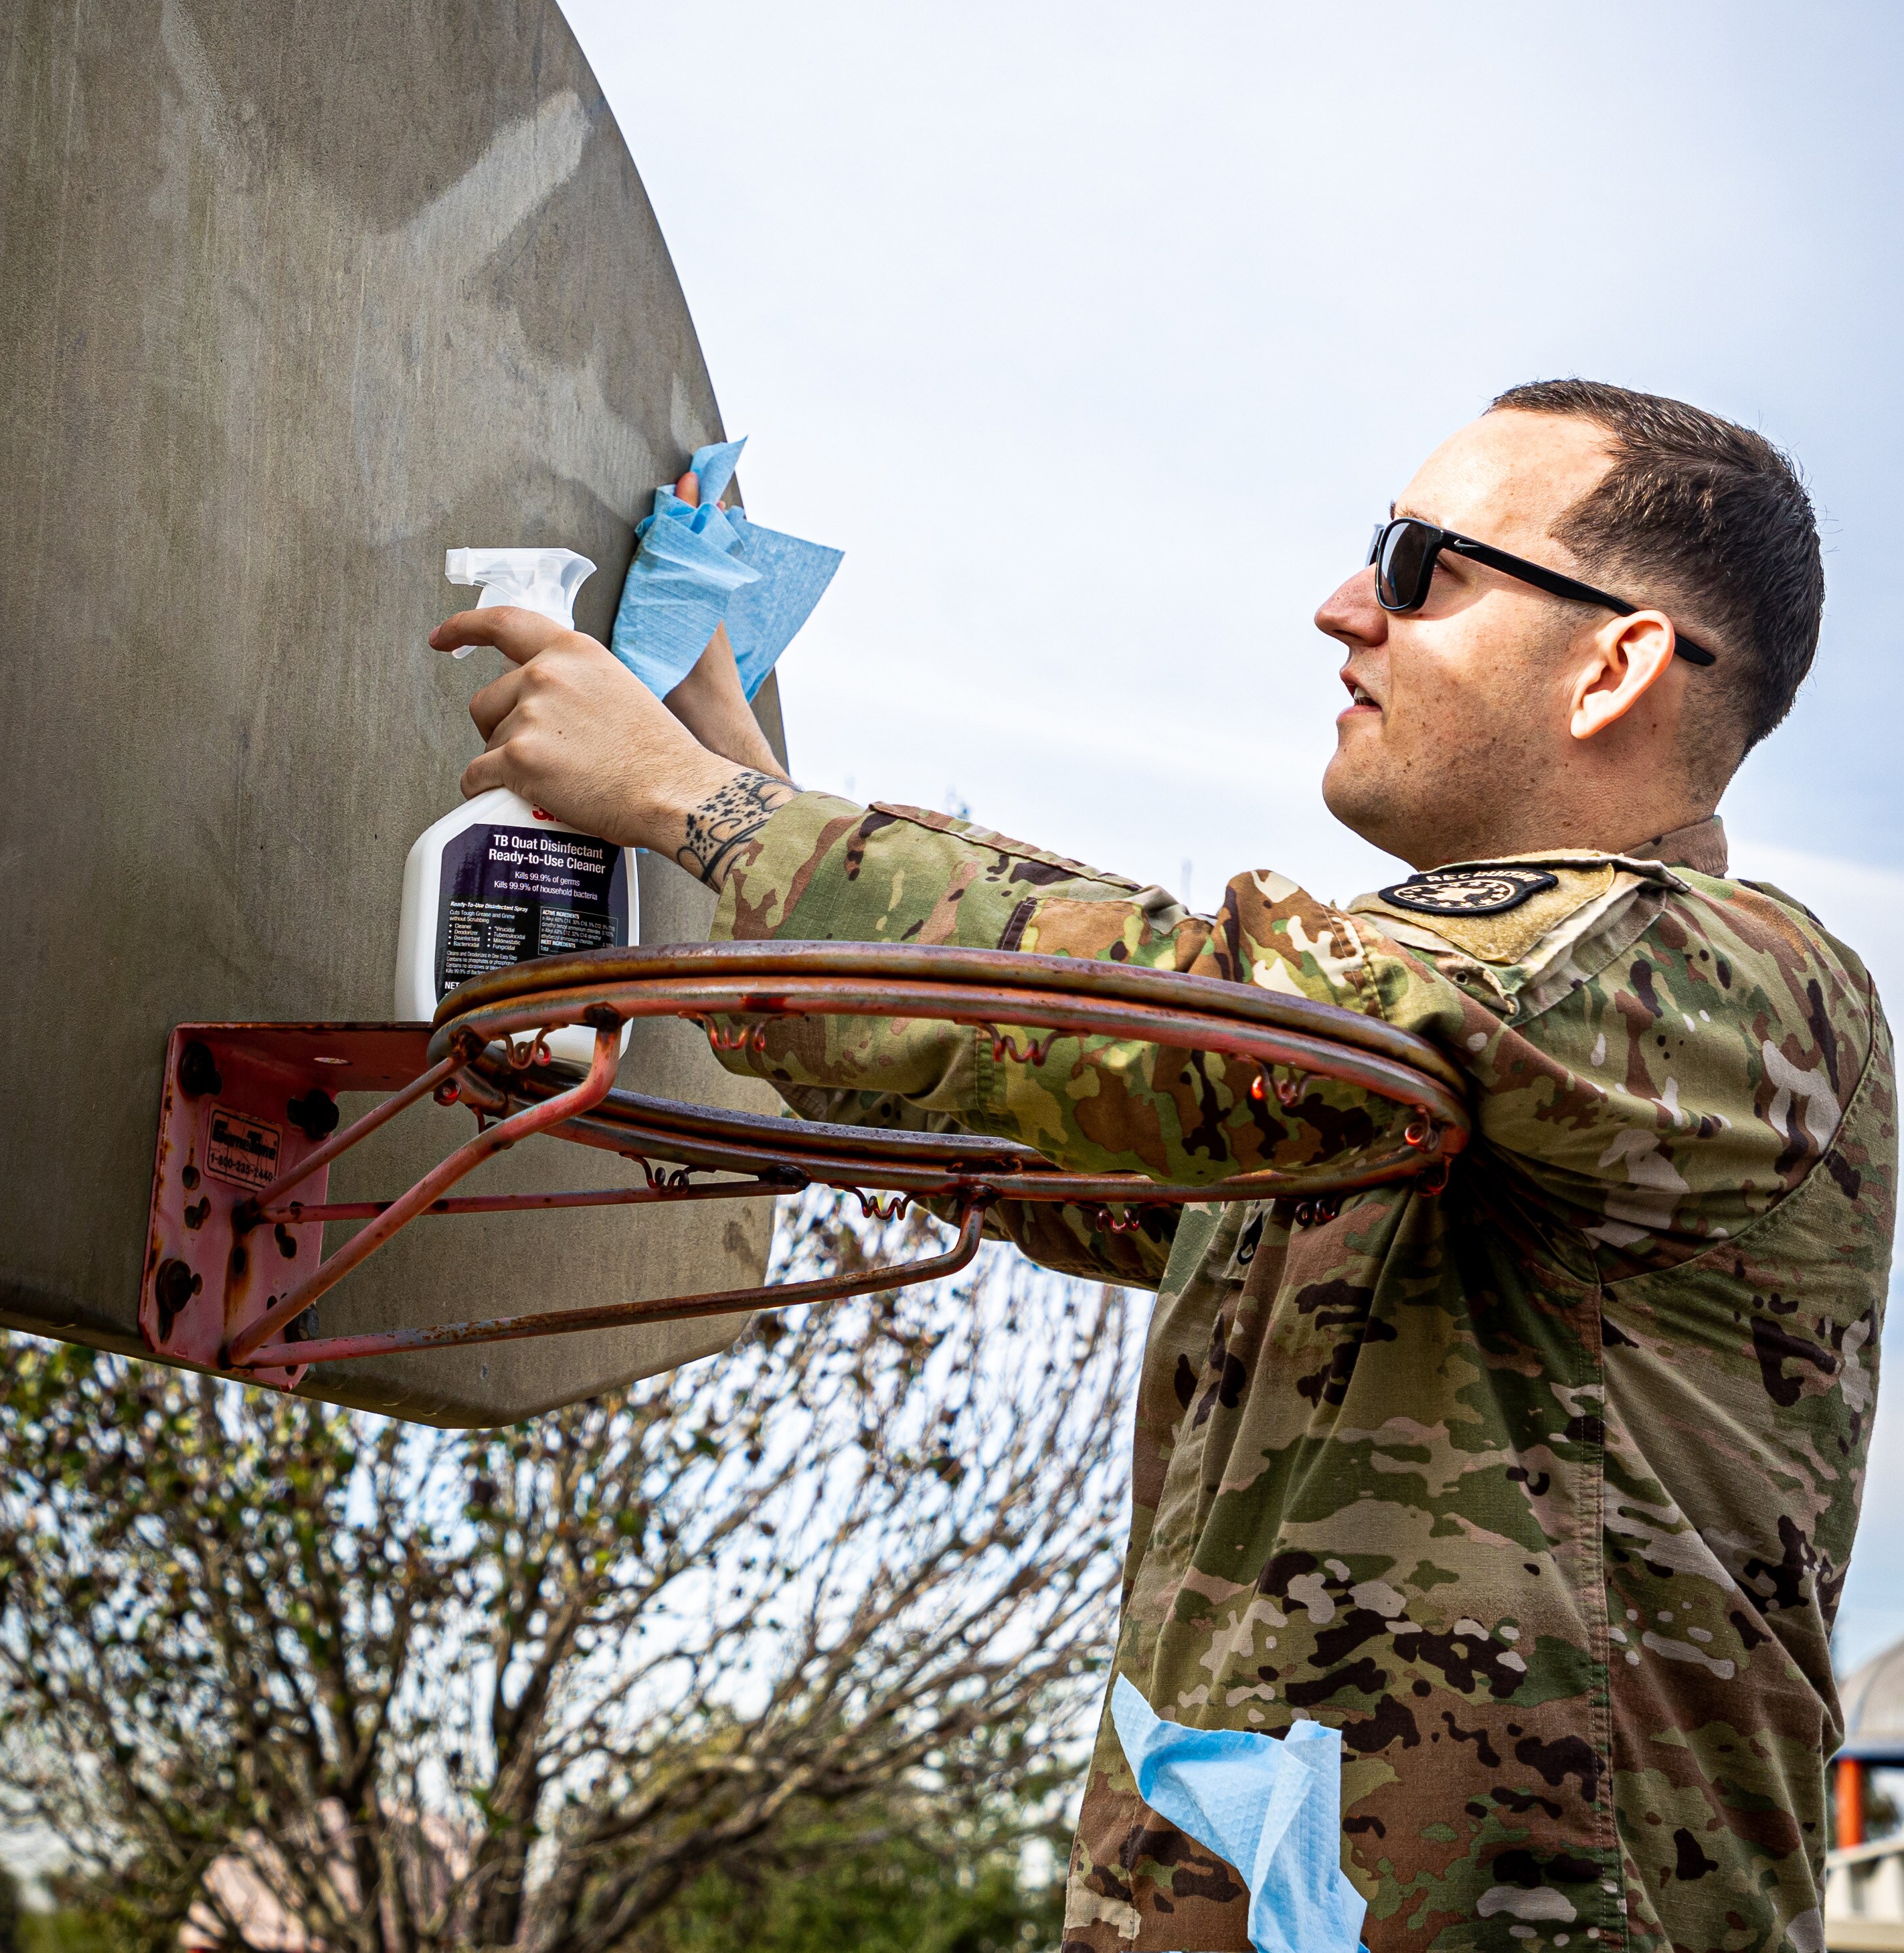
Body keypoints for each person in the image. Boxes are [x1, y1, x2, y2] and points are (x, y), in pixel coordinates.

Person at [430, 380, 1895, 1953]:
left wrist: (704, 808)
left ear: (1612, 664)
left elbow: (1190, 1016)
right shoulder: (1404, 1064)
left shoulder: (1707, 971)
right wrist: (739, 785)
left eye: (1420, 567)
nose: (1345, 607)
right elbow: (1068, 1115)